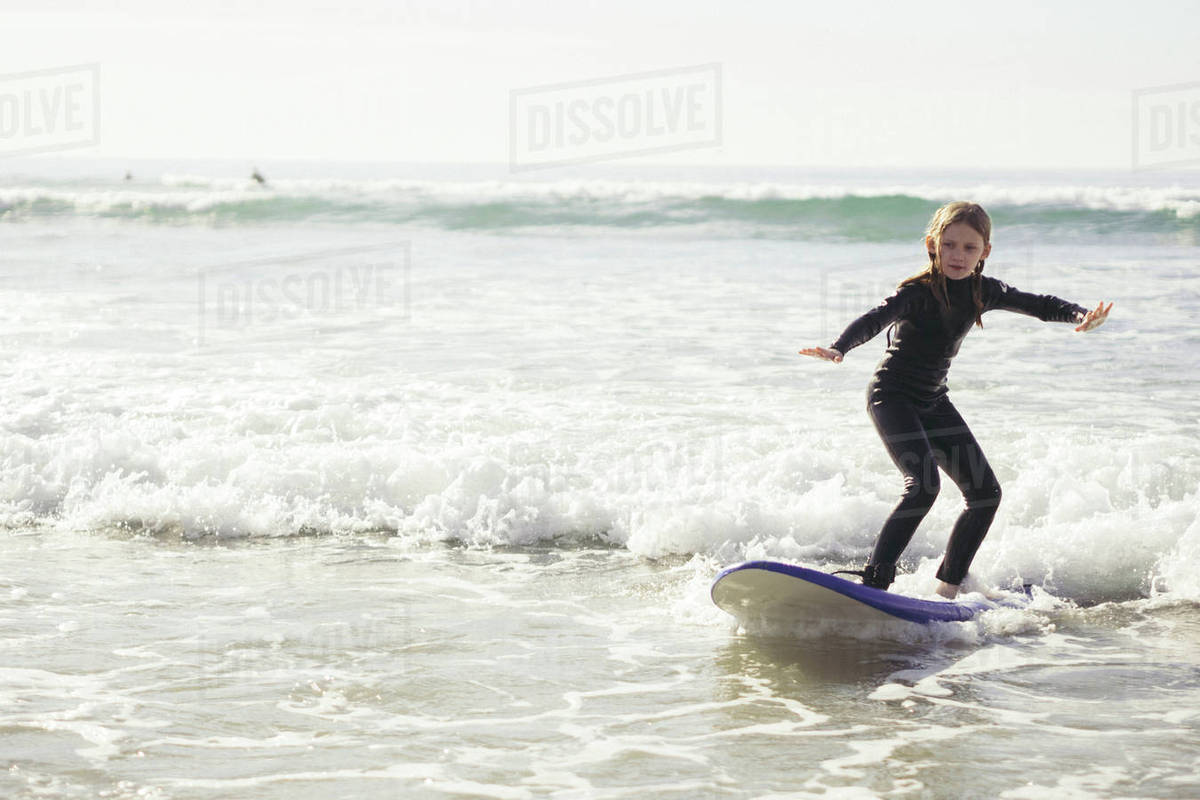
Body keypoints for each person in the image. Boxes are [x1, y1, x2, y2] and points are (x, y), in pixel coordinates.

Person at [799, 201, 1112, 599]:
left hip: (932, 400)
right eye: (949, 245)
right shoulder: (916, 292)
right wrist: (839, 347)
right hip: (891, 395)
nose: (958, 255)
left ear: (985, 252)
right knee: (923, 486)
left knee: (984, 494)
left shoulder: (985, 291)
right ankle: (875, 581)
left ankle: (947, 591)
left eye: (969, 247)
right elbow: (875, 319)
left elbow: (1040, 304)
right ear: (932, 245)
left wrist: (1080, 314)